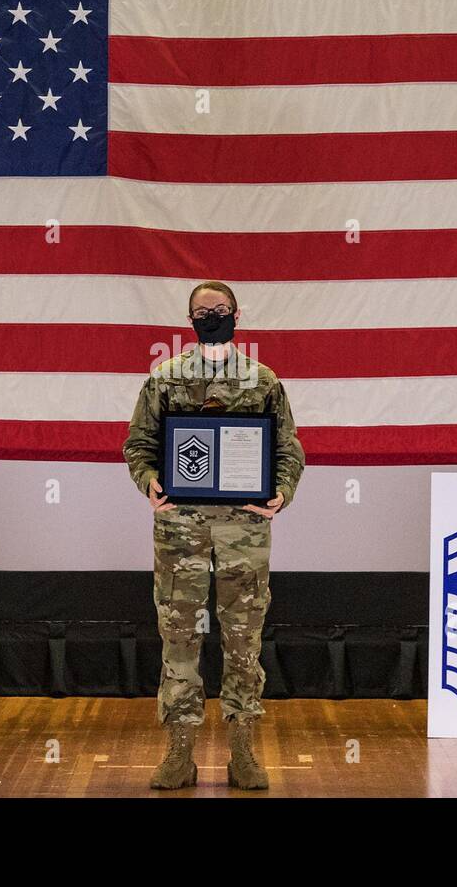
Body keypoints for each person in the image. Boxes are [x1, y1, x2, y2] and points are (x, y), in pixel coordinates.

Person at [123, 281, 305, 789]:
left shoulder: (262, 380)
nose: (212, 317)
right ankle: (179, 751)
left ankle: (242, 749)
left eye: (220, 310)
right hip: (180, 528)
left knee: (243, 639)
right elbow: (138, 445)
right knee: (178, 637)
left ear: (237, 314)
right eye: (202, 311)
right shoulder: (165, 378)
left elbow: (289, 449)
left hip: (243, 528)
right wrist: (151, 482)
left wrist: (281, 493)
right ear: (188, 318)